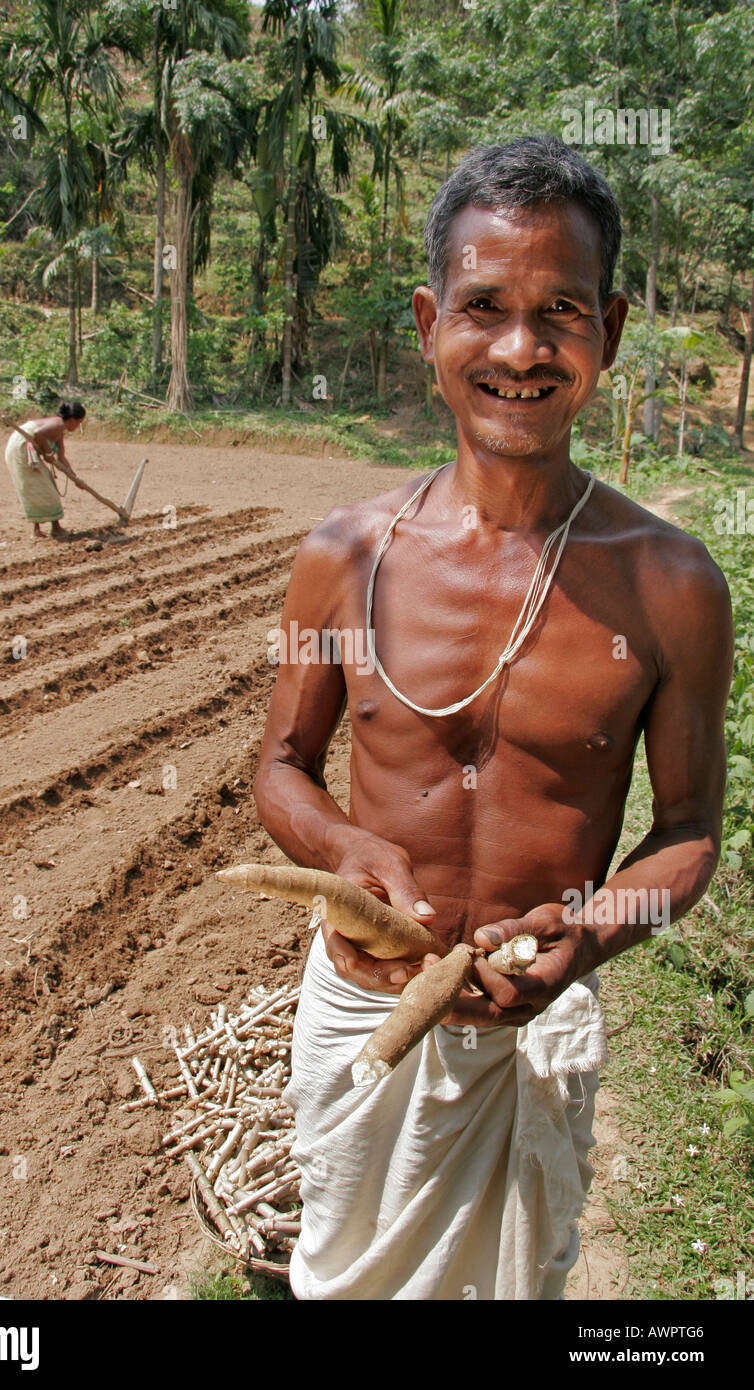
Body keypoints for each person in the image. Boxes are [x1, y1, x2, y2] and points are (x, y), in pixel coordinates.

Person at [253, 135, 734, 1300]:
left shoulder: (667, 583)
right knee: (342, 1280)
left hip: (531, 1031)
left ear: (606, 334)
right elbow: (278, 765)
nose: (520, 349)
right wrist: (345, 848)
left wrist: (592, 934)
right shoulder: (343, 559)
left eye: (558, 310)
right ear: (429, 326)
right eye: (484, 307)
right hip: (365, 1013)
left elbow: (685, 829)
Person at [4, 401, 85, 539]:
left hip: (23, 449)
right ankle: (55, 529)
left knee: (42, 484)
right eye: (78, 423)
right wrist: (47, 453)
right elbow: (38, 433)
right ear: (72, 419)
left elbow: (61, 458)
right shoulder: (58, 424)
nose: (78, 427)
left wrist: (75, 478)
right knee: (41, 487)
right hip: (21, 448)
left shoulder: (60, 430)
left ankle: (41, 529)